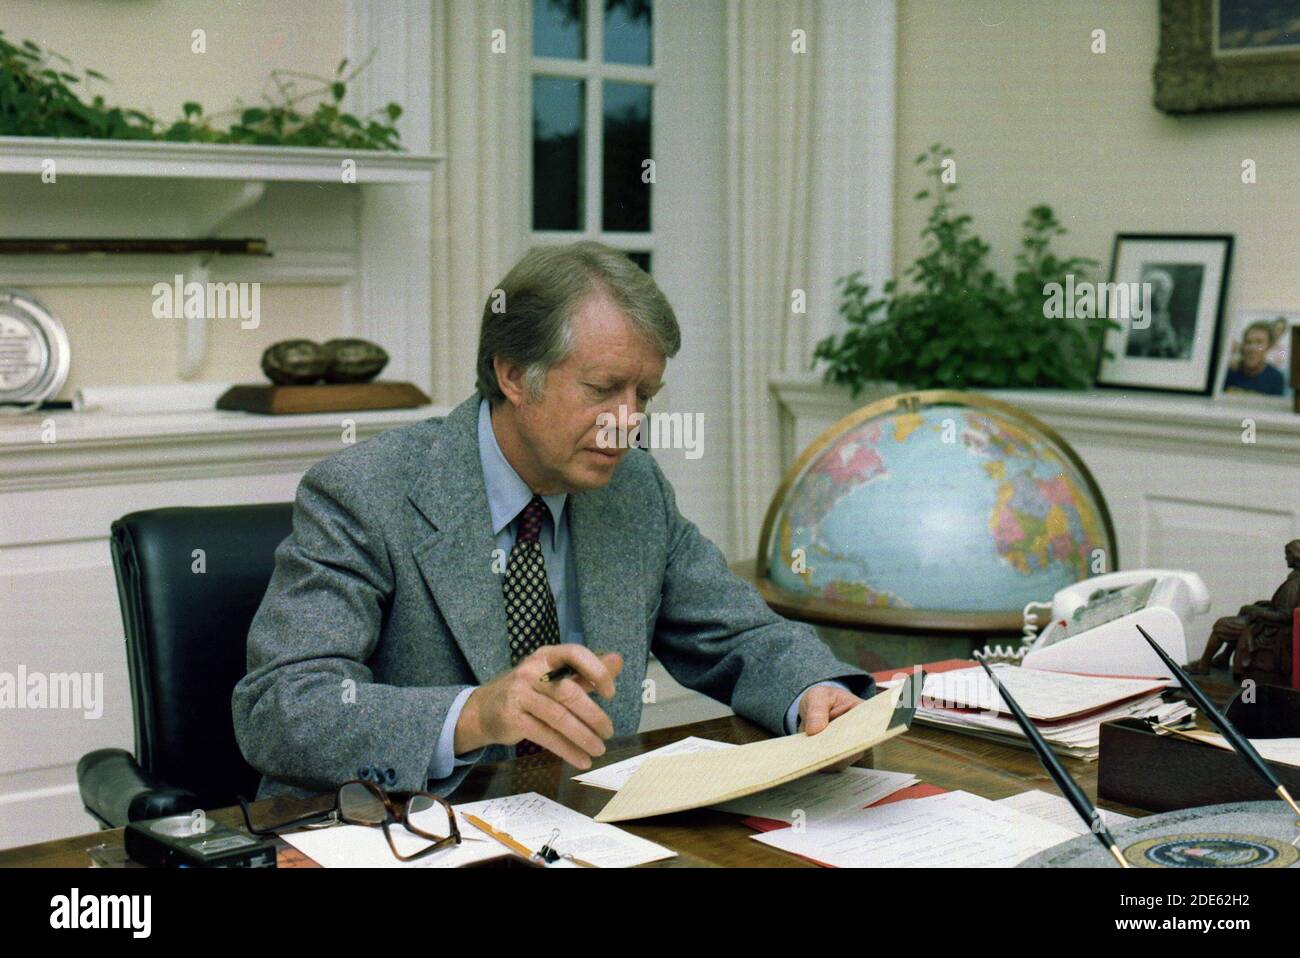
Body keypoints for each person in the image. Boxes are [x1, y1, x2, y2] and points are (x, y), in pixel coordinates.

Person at [232, 241, 874, 799]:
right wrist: (474, 715)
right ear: (513, 374)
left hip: (580, 829)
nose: (629, 422)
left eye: (644, 396)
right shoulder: (368, 491)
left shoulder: (633, 487)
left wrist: (813, 690)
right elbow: (283, 706)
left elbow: (737, 635)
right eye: (603, 390)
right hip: (405, 834)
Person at [1223, 320, 1285, 396]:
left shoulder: (1276, 378)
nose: (1252, 348)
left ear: (1269, 347)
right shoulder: (1228, 372)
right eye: (1248, 342)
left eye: (1259, 343)